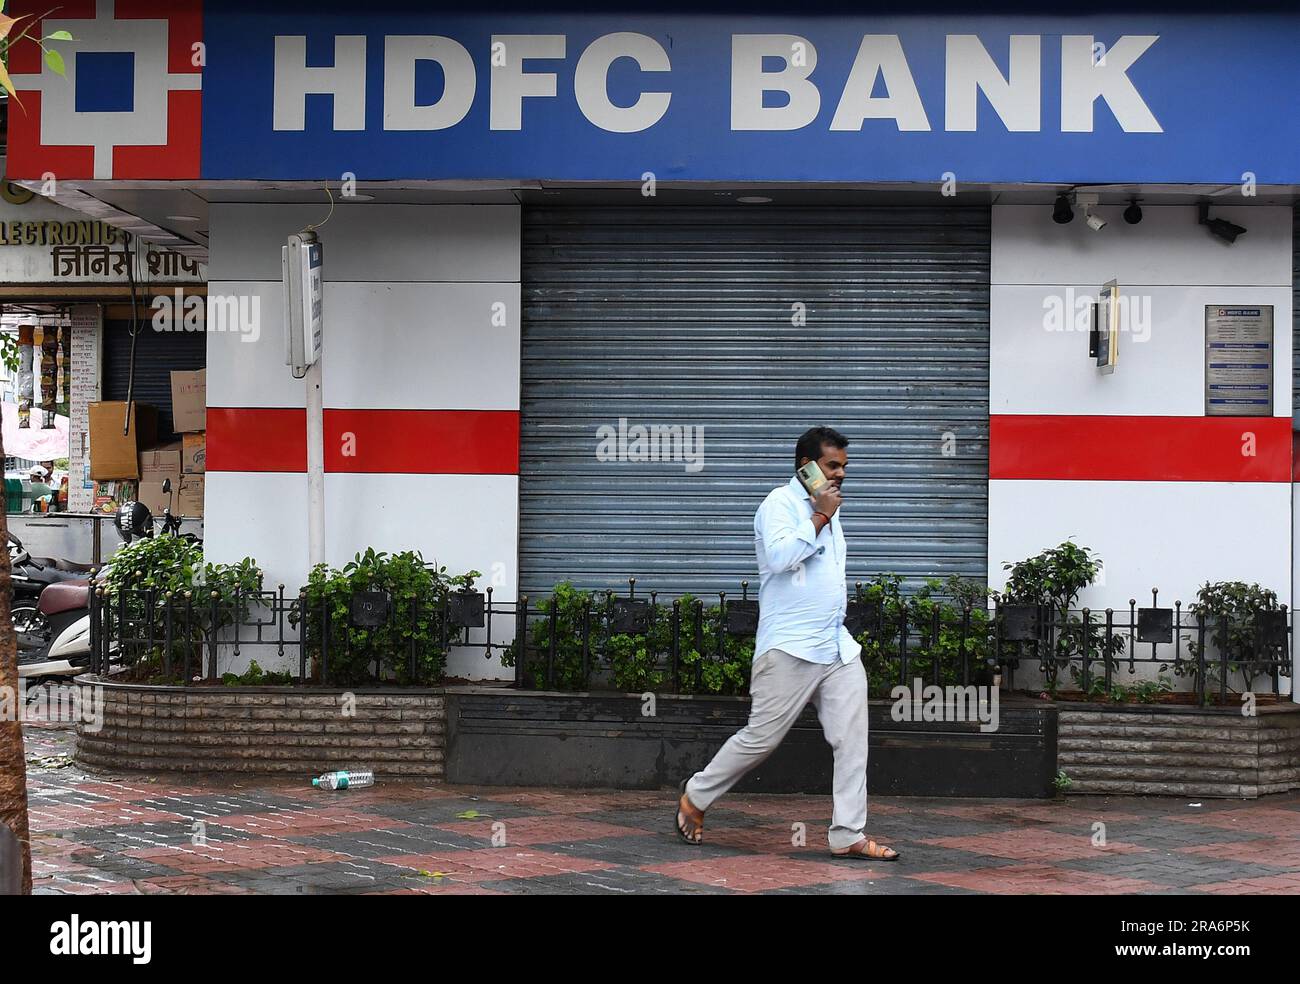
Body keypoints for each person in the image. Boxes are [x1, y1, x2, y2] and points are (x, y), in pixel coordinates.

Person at [673, 426, 898, 861]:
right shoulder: (779, 504)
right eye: (832, 465)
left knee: (853, 737)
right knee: (761, 738)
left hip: (835, 646)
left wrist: (825, 513)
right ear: (806, 466)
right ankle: (696, 796)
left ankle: (847, 833)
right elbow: (778, 558)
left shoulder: (829, 507)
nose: (841, 474)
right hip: (790, 647)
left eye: (844, 467)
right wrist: (818, 517)